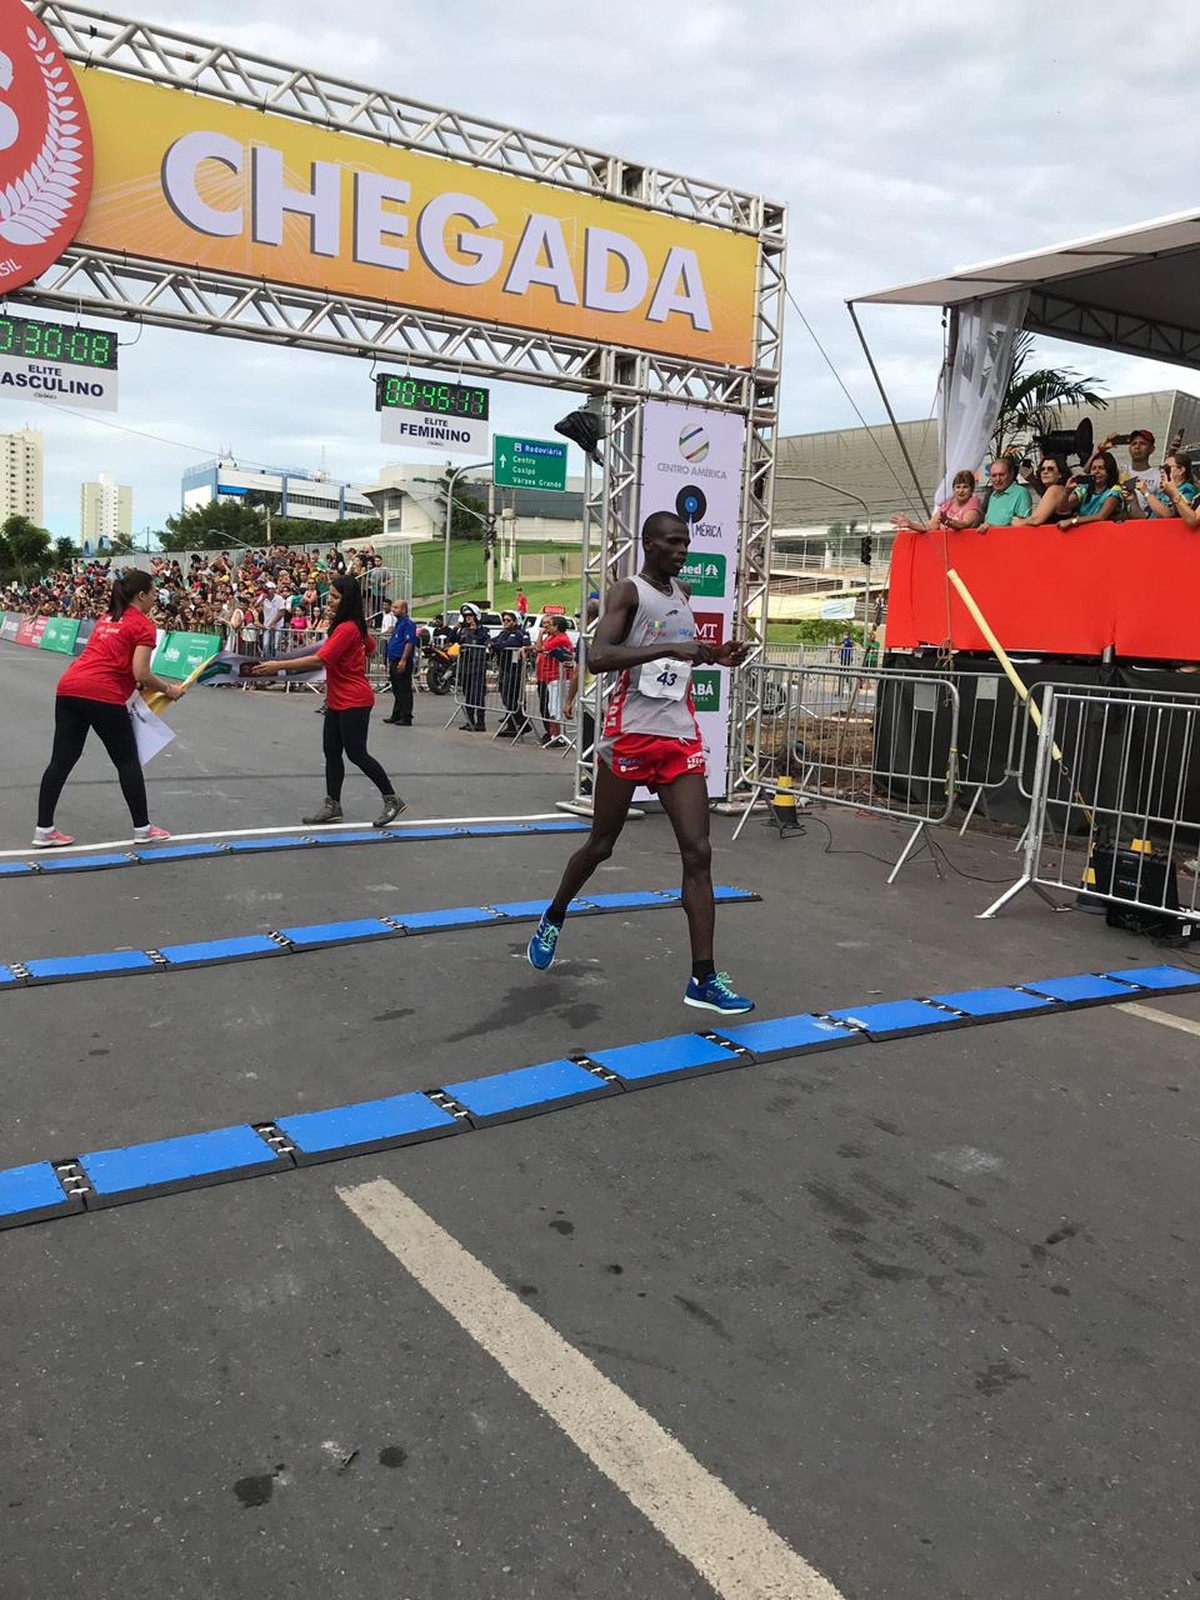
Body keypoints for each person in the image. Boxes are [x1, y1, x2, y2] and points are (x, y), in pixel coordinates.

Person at [526, 510, 754, 1014]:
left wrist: (714, 654)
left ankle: (703, 978)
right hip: (630, 733)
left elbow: (677, 659)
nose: (682, 550)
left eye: (686, 542)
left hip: (677, 736)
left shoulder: (685, 596)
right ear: (648, 543)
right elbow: (599, 657)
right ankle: (555, 914)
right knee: (601, 844)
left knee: (698, 852)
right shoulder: (627, 591)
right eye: (672, 542)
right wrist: (668, 645)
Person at [33, 568, 183, 848]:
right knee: (127, 761)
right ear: (142, 595)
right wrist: (168, 690)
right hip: (102, 693)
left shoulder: (107, 618)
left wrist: (135, 683)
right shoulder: (143, 625)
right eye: (153, 593)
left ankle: (44, 830)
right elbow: (141, 672)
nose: (155, 598)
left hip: (69, 687)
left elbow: (117, 662)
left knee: (61, 760)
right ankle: (143, 828)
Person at [251, 574, 405, 826]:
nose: (329, 601)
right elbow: (371, 648)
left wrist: (278, 666)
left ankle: (392, 799)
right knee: (332, 752)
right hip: (336, 698)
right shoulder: (349, 625)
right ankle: (333, 805)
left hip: (354, 699)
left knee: (356, 753)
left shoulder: (347, 628)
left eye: (334, 597)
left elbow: (319, 660)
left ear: (348, 600)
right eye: (330, 596)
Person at [563, 598, 601, 791]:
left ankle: (589, 779)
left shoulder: (586, 636)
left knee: (589, 738)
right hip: (609, 695)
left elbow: (579, 670)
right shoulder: (612, 633)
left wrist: (569, 699)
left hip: (591, 695)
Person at [891, 470, 983, 534]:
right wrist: (910, 524)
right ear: (953, 489)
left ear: (971, 489)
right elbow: (929, 526)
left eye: (965, 487)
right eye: (958, 487)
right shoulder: (948, 505)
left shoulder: (973, 503)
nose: (961, 490)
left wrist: (949, 522)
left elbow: (966, 523)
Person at [491, 611, 533, 737]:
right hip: (504, 667)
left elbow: (511, 644)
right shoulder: (503, 633)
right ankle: (516, 721)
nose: (505, 622)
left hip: (515, 669)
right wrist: (493, 644)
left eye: (508, 620)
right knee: (504, 694)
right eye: (504, 620)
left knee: (512, 696)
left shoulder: (521, 633)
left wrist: (497, 645)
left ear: (515, 621)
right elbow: (493, 641)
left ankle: (518, 722)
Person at [1060, 451, 1126, 529]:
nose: (1096, 472)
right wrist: (1067, 491)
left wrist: (1073, 521)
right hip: (1083, 532)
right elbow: (1063, 508)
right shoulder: (1084, 488)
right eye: (1093, 468)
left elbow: (1101, 516)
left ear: (1109, 471)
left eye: (1101, 468)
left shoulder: (1114, 489)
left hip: (1105, 532)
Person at [536, 616, 574, 744]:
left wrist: (540, 634)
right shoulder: (552, 637)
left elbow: (540, 648)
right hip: (552, 677)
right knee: (552, 707)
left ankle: (557, 736)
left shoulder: (560, 639)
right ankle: (554, 735)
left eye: (550, 624)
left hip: (558, 677)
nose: (546, 627)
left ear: (556, 627)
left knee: (555, 707)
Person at [454, 603, 491, 731]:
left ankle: (480, 722)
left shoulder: (483, 630)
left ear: (476, 616)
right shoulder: (463, 630)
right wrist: (455, 628)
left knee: (478, 694)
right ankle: (470, 721)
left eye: (470, 616)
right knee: (468, 693)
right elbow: (453, 639)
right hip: (465, 666)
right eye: (466, 616)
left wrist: (474, 631)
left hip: (478, 666)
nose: (468, 618)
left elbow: (486, 640)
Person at [382, 599, 418, 726]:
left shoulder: (408, 624)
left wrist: (403, 660)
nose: (393, 610)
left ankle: (406, 716)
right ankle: (396, 714)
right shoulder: (398, 623)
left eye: (396, 607)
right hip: (394, 660)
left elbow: (409, 643)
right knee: (397, 689)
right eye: (393, 607)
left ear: (403, 609)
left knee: (404, 689)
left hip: (402, 660)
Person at [1013, 456, 1077, 526]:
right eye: (1042, 469)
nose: (1045, 472)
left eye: (1050, 469)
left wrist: (1019, 521)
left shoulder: (1055, 489)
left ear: (1060, 474)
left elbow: (1036, 520)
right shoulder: (1058, 490)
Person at [1142, 450, 1198, 522]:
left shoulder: (1188, 489)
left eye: (1166, 468)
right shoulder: (1162, 493)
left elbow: (1170, 516)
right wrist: (1132, 500)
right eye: (1161, 468)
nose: (1162, 471)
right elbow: (1144, 517)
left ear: (1181, 470)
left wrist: (1147, 493)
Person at [978, 457, 1033, 528]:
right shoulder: (993, 495)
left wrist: (992, 527)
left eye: (1001, 475)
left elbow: (1023, 528)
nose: (997, 479)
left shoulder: (1021, 493)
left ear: (1011, 474)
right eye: (994, 476)